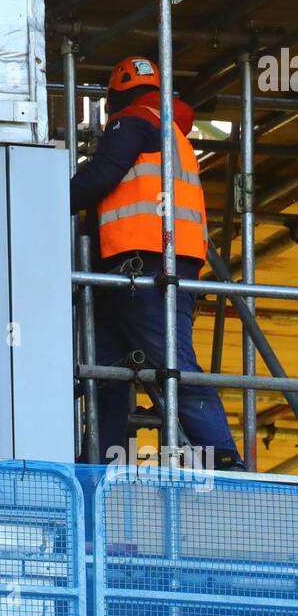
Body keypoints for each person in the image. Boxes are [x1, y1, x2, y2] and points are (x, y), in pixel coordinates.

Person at [69, 56, 243, 469]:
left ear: (115, 94)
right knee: (106, 375)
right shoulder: (171, 130)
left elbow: (99, 178)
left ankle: (222, 458)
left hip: (143, 267)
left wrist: (35, 196)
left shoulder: (131, 121)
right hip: (140, 268)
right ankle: (95, 467)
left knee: (171, 365)